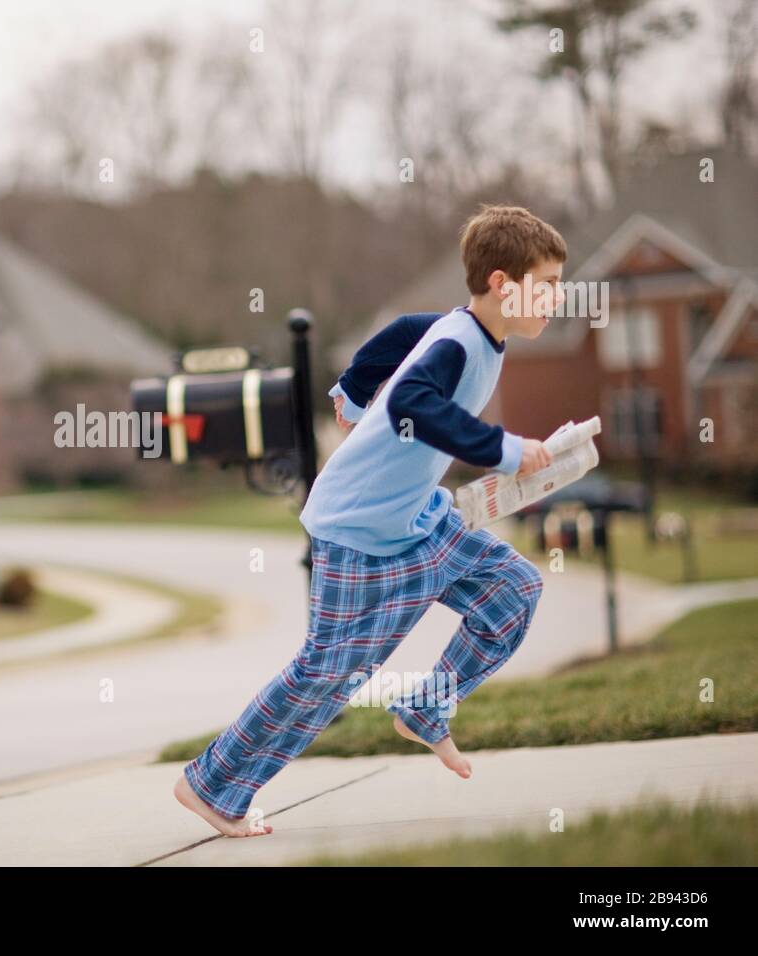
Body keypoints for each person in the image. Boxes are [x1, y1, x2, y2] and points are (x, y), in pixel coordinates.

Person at [174, 204, 567, 837]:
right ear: (502, 283)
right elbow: (414, 398)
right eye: (547, 286)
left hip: (418, 520)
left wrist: (353, 390)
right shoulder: (460, 344)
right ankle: (213, 786)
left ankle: (426, 709)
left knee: (514, 591)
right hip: (357, 530)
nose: (558, 299)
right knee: (328, 674)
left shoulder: (462, 330)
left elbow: (403, 331)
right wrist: (506, 450)